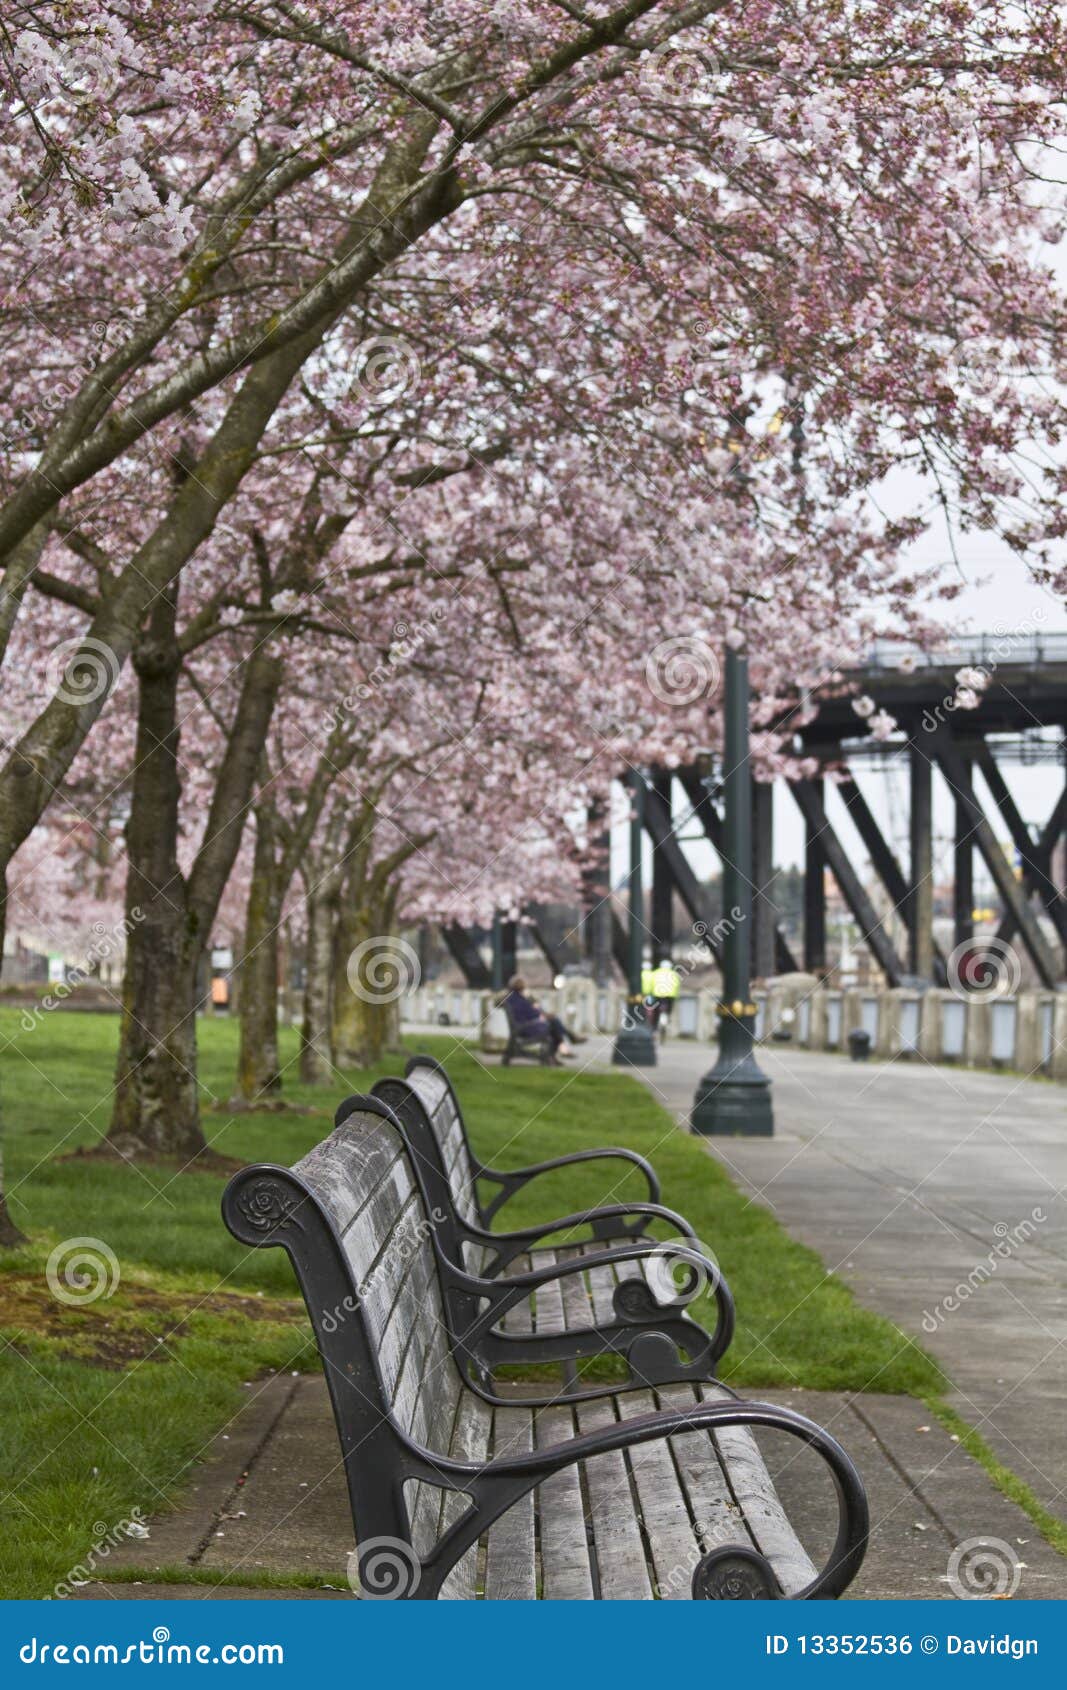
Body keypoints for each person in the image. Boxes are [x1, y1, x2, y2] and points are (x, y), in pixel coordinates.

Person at [502, 976, 587, 1063]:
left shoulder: (512, 998)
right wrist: (534, 1003)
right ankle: (568, 1040)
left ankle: (564, 1045)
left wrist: (541, 1012)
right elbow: (534, 1014)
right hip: (525, 1029)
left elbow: (532, 1013)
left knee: (554, 1024)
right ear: (522, 988)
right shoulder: (521, 1000)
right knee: (554, 1024)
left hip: (522, 1027)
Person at [649, 957, 681, 1038]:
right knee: (669, 1010)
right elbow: (677, 985)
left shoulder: (655, 973)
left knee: (656, 1012)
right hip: (670, 996)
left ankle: (654, 1029)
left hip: (657, 995)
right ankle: (667, 1019)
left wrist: (651, 993)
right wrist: (676, 995)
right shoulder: (674, 974)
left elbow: (651, 985)